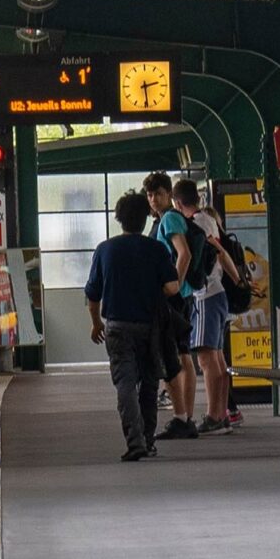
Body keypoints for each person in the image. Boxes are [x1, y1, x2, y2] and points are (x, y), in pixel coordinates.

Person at [86, 192, 181, 461]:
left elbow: (92, 295)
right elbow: (172, 287)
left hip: (116, 326)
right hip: (150, 328)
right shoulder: (156, 249)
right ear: (145, 218)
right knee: (150, 383)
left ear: (119, 218)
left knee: (125, 384)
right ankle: (148, 440)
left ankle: (135, 440)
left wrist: (96, 324)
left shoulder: (105, 250)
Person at [144, 172, 198, 440]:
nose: (154, 199)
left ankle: (184, 417)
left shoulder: (169, 219)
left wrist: (174, 285)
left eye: (158, 194)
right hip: (180, 294)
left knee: (176, 354)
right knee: (183, 354)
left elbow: (183, 252)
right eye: (150, 195)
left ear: (169, 195)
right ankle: (185, 415)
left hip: (175, 296)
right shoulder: (165, 219)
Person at [187, 199, 244, 435]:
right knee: (217, 359)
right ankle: (221, 414)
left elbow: (217, 254)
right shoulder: (210, 220)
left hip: (206, 295)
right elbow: (222, 254)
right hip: (218, 294)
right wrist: (238, 281)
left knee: (207, 360)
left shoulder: (196, 223)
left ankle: (214, 416)